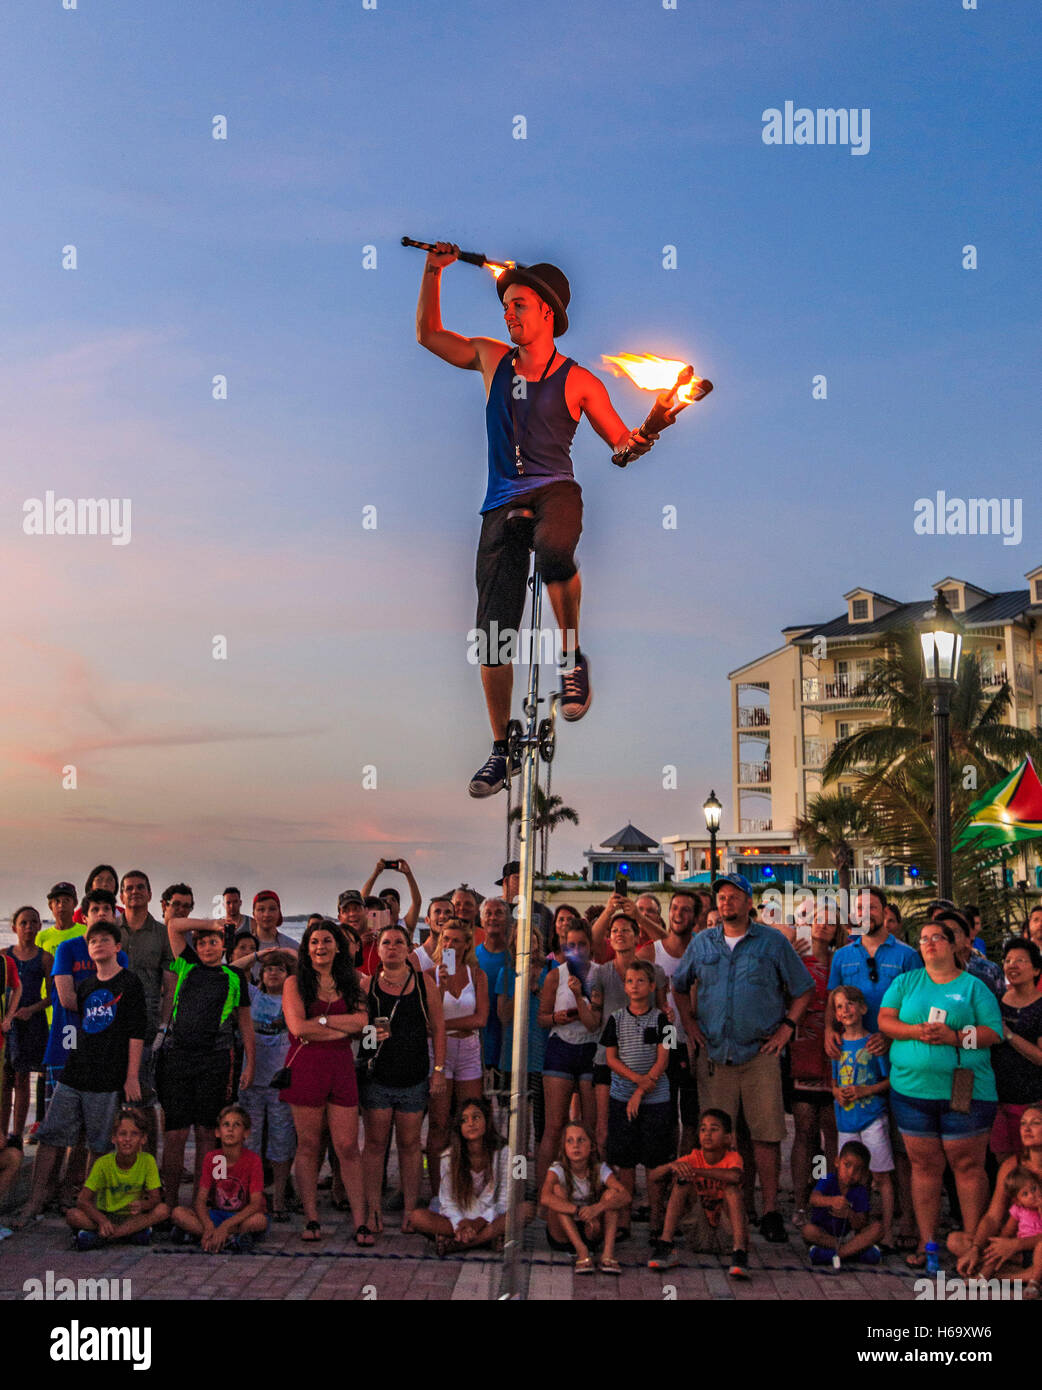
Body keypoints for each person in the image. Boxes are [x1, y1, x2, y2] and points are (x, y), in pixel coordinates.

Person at [416, 241, 658, 796]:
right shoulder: (490, 357)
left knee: (554, 550)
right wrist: (434, 272)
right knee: (493, 633)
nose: (509, 313)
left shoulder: (579, 381)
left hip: (556, 491)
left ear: (547, 312)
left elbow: (618, 444)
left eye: (519, 304)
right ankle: (502, 749)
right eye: (506, 305)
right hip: (499, 501)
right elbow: (429, 337)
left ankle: (572, 657)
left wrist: (635, 442)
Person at [672, 873, 815, 1244]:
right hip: (716, 1055)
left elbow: (803, 989)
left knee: (766, 1137)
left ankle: (769, 1211)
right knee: (716, 1138)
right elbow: (678, 985)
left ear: (749, 902)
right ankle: (717, 1213)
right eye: (721, 896)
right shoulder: (702, 944)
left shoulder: (771, 943)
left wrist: (787, 1027)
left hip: (760, 1053)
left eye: (734, 896)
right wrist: (689, 1023)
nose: (726, 902)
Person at [878, 918, 1003, 1268]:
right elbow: (886, 1021)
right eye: (923, 939)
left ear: (952, 945)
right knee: (924, 1166)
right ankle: (927, 1242)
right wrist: (916, 1031)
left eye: (937, 938)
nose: (930, 943)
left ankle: (974, 1244)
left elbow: (993, 1034)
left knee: (967, 1167)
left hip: (966, 1092)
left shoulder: (974, 987)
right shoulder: (905, 982)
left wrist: (955, 1037)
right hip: (912, 1092)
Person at [17, 919, 147, 1226]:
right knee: (51, 1134)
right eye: (93, 941)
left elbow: (136, 1032)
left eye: (105, 939)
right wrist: (68, 1054)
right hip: (76, 1073)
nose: (98, 944)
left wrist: (131, 1077)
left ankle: (88, 1205)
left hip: (108, 1076)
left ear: (117, 947)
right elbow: (80, 1029)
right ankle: (33, 1203)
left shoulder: (130, 983)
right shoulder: (86, 987)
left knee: (99, 1144)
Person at [156, 914, 254, 1211]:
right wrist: (213, 924)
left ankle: (202, 1203)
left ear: (224, 946)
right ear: (195, 947)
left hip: (215, 1060)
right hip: (178, 1058)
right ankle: (170, 1204)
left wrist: (250, 1064)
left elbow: (246, 1026)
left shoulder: (234, 977)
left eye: (214, 942)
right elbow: (173, 925)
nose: (208, 947)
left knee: (206, 1136)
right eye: (202, 943)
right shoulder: (186, 965)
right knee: (174, 1135)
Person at [279, 920, 369, 1242]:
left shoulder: (351, 980)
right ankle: (312, 1218)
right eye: (314, 941)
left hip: (341, 1066)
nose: (321, 947)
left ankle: (361, 1221)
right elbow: (298, 1028)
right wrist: (340, 1028)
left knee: (347, 1146)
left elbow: (362, 1022)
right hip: (307, 1065)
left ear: (337, 946)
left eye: (327, 940)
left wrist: (323, 1020)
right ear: (307, 947)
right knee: (309, 1144)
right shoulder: (294, 982)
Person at [361, 924, 446, 1237]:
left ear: (409, 948)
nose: (392, 947)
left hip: (414, 1076)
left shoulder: (423, 983)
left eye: (399, 942)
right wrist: (372, 1033)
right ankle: (372, 1209)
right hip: (379, 1078)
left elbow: (438, 1028)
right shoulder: (368, 985)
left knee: (411, 1145)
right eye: (387, 942)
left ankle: (411, 1210)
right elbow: (361, 1033)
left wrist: (439, 1072)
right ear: (379, 949)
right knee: (374, 1145)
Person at [588, 911, 668, 1155]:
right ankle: (608, 1185)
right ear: (608, 939)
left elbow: (665, 1013)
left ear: (637, 937)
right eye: (615, 931)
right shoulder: (600, 974)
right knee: (605, 1129)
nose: (620, 934)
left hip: (649, 1063)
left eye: (626, 930)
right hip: (608, 1060)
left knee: (652, 1132)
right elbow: (593, 1020)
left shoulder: (657, 972)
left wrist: (666, 1047)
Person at [602, 960, 672, 1235]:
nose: (635, 986)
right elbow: (611, 1058)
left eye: (641, 981)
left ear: (652, 986)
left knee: (655, 1162)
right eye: (630, 981)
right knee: (626, 1161)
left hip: (656, 1100)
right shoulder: (616, 1019)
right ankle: (624, 1220)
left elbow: (662, 1060)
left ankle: (657, 1220)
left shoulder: (661, 1019)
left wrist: (643, 1089)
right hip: (622, 1097)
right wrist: (635, 1082)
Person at [409, 1097, 523, 1255]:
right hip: (460, 1219)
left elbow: (505, 1198)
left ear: (486, 1121)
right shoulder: (448, 1157)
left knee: (525, 1210)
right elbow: (447, 1201)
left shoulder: (505, 1152)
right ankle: (486, 1238)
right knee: (416, 1217)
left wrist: (478, 1223)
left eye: (476, 1117)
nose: (471, 1123)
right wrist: (461, 1223)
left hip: (491, 1217)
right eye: (464, 1120)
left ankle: (458, 1244)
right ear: (458, 1127)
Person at [788, 906, 843, 1229]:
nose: (822, 925)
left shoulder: (844, 962)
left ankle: (832, 1197)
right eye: (816, 919)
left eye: (829, 921)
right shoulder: (797, 961)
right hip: (805, 1049)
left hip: (837, 1054)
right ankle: (799, 1203)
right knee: (805, 1131)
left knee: (833, 1131)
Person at [425, 919, 488, 1199]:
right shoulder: (429, 974)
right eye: (445, 939)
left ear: (466, 944)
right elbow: (428, 1020)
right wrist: (441, 987)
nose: (449, 944)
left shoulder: (477, 975)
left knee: (470, 1119)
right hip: (440, 1050)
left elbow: (481, 1019)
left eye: (455, 940)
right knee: (439, 1123)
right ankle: (438, 1189)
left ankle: (469, 1186)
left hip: (468, 1051)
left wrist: (446, 1023)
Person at [828, 985, 895, 1250]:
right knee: (849, 1177)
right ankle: (857, 1227)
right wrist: (837, 1093)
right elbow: (833, 1080)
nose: (846, 1010)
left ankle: (887, 1230)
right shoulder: (837, 1044)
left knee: (880, 1175)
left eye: (851, 1004)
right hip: (846, 1119)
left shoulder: (873, 1043)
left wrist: (866, 1090)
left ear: (863, 1008)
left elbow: (889, 1079)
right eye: (840, 1006)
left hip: (871, 1117)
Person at [536, 920, 599, 1189]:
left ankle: (591, 1187)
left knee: (590, 1126)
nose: (576, 950)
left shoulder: (600, 974)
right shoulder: (555, 975)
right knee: (554, 1125)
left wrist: (579, 999)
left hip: (591, 1049)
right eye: (570, 945)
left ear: (590, 946)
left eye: (582, 944)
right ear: (563, 946)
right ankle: (543, 1191)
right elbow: (540, 1018)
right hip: (561, 1047)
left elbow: (594, 1022)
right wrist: (555, 1017)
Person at [647, 1108, 748, 1278]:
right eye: (703, 1129)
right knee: (682, 1182)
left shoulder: (732, 1157)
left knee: (731, 1189)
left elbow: (735, 1176)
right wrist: (671, 1166)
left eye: (714, 1129)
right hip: (698, 1233)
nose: (707, 1134)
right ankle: (666, 1244)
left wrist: (697, 1171)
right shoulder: (694, 1156)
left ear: (728, 1138)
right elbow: (652, 1176)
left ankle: (740, 1252)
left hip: (727, 1234)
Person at [950, 1104, 1042, 1277]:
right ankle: (1024, 1272)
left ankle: (1004, 1276)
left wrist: (1016, 1245)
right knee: (956, 1241)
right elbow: (993, 1216)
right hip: (1019, 1241)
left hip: (1034, 1244)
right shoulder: (1012, 1165)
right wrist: (976, 1248)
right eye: (1023, 1123)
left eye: (1036, 1123)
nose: (1027, 1129)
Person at [639, 891, 700, 1152]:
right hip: (660, 1047)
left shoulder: (704, 951)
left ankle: (683, 1180)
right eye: (674, 908)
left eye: (685, 909)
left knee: (692, 1118)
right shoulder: (650, 952)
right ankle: (664, 1174)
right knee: (663, 1118)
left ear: (696, 917)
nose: (678, 914)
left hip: (694, 1043)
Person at [118, 870, 174, 1139]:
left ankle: (149, 1166)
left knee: (144, 1095)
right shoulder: (111, 932)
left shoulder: (162, 934)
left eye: (140, 887)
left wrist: (164, 1025)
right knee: (110, 1097)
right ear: (121, 895)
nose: (135, 891)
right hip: (112, 1020)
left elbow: (171, 983)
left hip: (148, 1022)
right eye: (129, 888)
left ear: (150, 894)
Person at [241, 951, 296, 1221]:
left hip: (281, 1082)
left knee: (281, 1142)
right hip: (251, 1080)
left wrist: (287, 954)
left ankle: (280, 1197)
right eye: (269, 969)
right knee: (250, 1141)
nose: (273, 972)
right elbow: (233, 970)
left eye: (280, 969)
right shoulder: (253, 996)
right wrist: (258, 954)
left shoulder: (294, 999)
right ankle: (254, 1196)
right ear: (261, 974)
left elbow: (305, 970)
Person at [66, 1107, 168, 1249]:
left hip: (132, 1217)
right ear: (114, 1138)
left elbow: (155, 1199)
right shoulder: (103, 1163)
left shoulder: (148, 1161)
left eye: (134, 1134)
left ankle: (107, 1236)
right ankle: (126, 1234)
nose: (127, 1139)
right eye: (122, 1134)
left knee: (162, 1210)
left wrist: (142, 1205)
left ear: (143, 1139)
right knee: (73, 1215)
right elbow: (83, 1200)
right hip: (105, 1215)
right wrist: (101, 1220)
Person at [171, 1104, 268, 1253]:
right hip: (217, 1215)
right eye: (226, 1125)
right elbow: (201, 1200)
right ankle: (227, 1238)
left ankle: (206, 1236)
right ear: (217, 1132)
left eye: (237, 1125)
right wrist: (209, 1225)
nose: (230, 1129)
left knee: (259, 1221)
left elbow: (255, 1204)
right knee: (178, 1213)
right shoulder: (213, 1158)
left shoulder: (253, 1160)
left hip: (241, 1217)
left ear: (246, 1133)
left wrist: (225, 1226)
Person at [539, 1120, 628, 1274]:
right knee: (557, 1191)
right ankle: (581, 1251)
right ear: (564, 1147)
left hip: (590, 1229)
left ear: (592, 1145)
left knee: (612, 1195)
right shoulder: (557, 1168)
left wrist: (598, 1208)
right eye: (570, 1141)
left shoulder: (600, 1168)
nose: (576, 1145)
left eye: (581, 1140)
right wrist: (578, 1210)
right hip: (562, 1232)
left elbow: (625, 1196)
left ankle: (608, 1254)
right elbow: (545, 1198)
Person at [496, 924, 550, 1148]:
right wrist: (523, 985)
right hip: (514, 1056)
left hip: (543, 1055)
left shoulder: (552, 970)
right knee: (516, 1121)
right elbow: (504, 1016)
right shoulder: (506, 973)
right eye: (521, 939)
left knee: (541, 1122)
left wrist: (536, 986)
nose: (528, 944)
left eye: (532, 938)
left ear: (538, 941)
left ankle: (538, 1179)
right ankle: (516, 1176)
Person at [990, 937, 1042, 1161]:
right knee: (1004, 1162)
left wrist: (1008, 1034)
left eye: (1020, 960)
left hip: (1033, 1102)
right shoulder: (995, 1002)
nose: (1012, 965)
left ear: (1036, 969)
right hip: (998, 1099)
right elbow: (980, 1040)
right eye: (1008, 960)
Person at [2, 906, 51, 1143]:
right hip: (6, 1023)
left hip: (31, 1023)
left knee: (22, 1079)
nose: (29, 927)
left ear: (40, 926)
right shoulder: (4, 955)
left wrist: (30, 1010)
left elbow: (52, 997)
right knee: (4, 1080)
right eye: (24, 923)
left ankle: (15, 1134)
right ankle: (1, 1133)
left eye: (33, 922)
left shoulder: (45, 958)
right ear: (14, 928)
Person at [801, 1140, 883, 1266]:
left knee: (878, 1228)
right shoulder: (827, 1179)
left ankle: (837, 1255)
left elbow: (860, 1223)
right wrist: (831, 1201)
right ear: (837, 1162)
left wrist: (849, 1214)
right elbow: (813, 1199)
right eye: (847, 1165)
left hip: (849, 1236)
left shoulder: (860, 1191)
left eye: (858, 1170)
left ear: (865, 1173)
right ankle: (853, 1252)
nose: (850, 1173)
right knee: (808, 1230)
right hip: (826, 1235)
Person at [475, 896, 509, 1085]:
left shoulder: (516, 959)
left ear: (507, 919)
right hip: (479, 1051)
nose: (493, 918)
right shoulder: (471, 957)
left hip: (508, 1051)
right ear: (481, 920)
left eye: (499, 913)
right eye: (488, 913)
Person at [232, 891, 298, 983]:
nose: (266, 914)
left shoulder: (292, 945)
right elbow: (229, 970)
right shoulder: (242, 945)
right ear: (253, 914)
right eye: (261, 909)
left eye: (272, 909)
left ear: (279, 912)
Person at [942, 908, 1004, 999]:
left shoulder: (989, 971)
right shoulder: (929, 973)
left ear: (970, 933)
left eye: (955, 930)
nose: (949, 936)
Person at [361, 858, 422, 937]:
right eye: (385, 900)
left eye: (393, 900)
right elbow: (361, 901)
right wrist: (376, 873)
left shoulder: (406, 925)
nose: (388, 901)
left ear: (399, 908)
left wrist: (408, 874)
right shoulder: (373, 924)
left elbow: (417, 902)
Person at [411, 895, 454, 971]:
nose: (442, 916)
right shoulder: (415, 958)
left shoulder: (462, 956)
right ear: (427, 920)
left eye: (448, 912)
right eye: (437, 912)